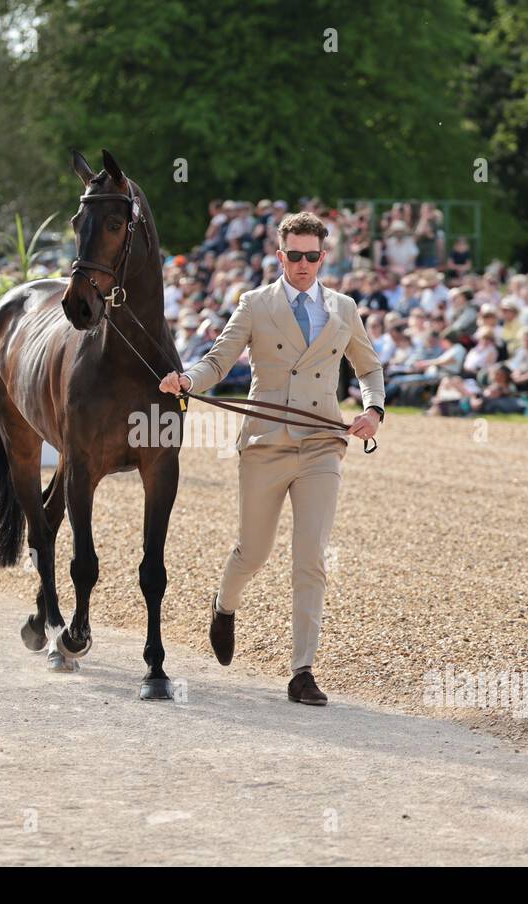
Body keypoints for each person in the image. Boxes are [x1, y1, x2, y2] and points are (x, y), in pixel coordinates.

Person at [158, 211, 384, 706]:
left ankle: (302, 671)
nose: (303, 264)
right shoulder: (255, 304)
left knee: (311, 559)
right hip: (265, 444)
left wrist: (374, 408)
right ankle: (223, 605)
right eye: (294, 255)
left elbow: (369, 367)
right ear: (279, 256)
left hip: (323, 444)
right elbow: (219, 359)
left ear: (324, 256)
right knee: (253, 553)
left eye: (312, 255)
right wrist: (188, 381)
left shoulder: (344, 308)